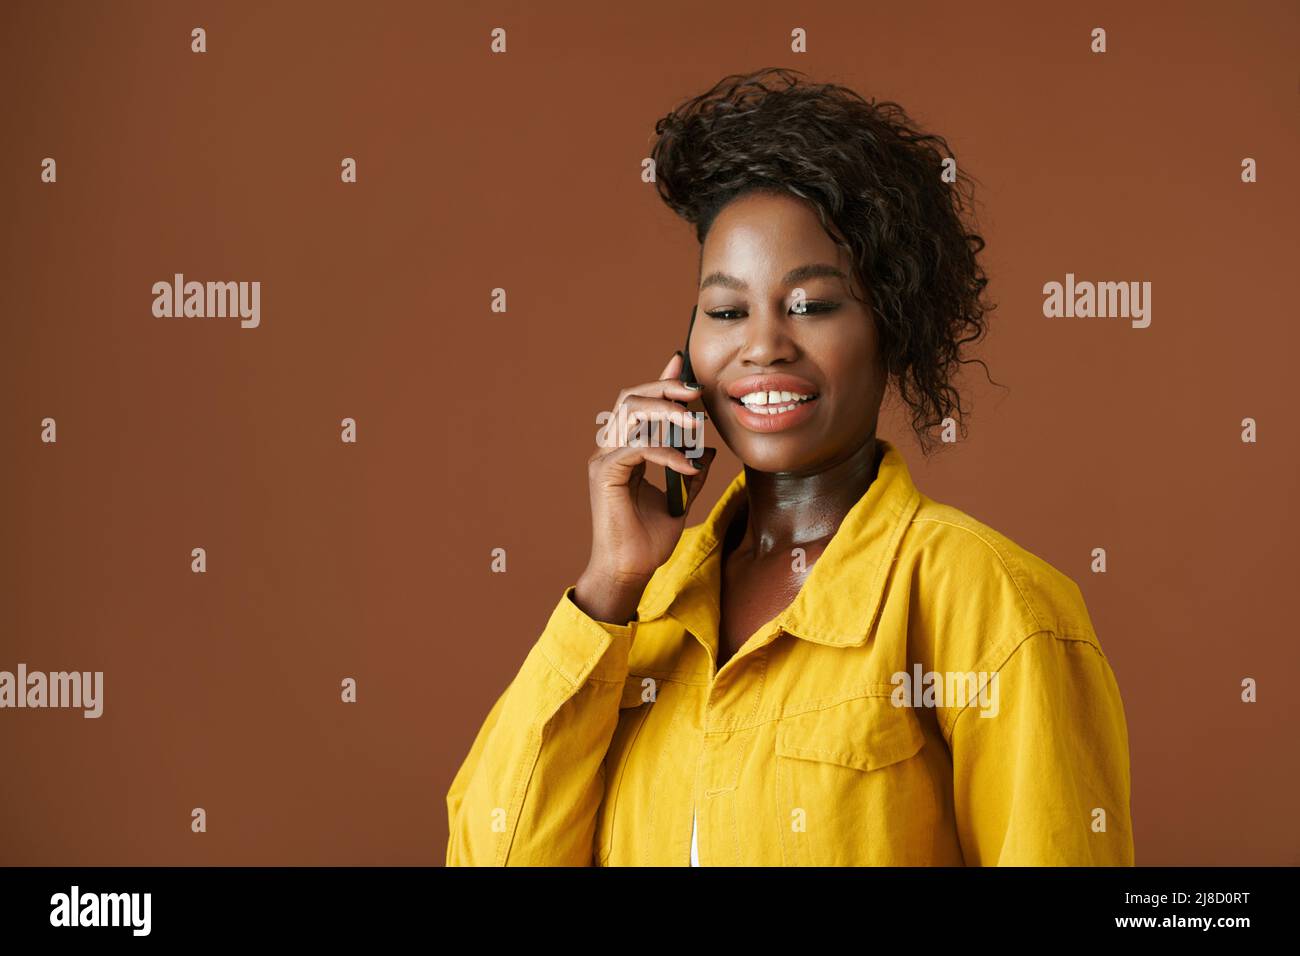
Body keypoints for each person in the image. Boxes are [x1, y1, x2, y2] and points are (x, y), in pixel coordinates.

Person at [445, 67, 1135, 866]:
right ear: (687, 353)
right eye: (728, 311)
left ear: (892, 327)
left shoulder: (987, 603)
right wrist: (608, 588)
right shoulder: (646, 610)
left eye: (811, 305)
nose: (763, 344)